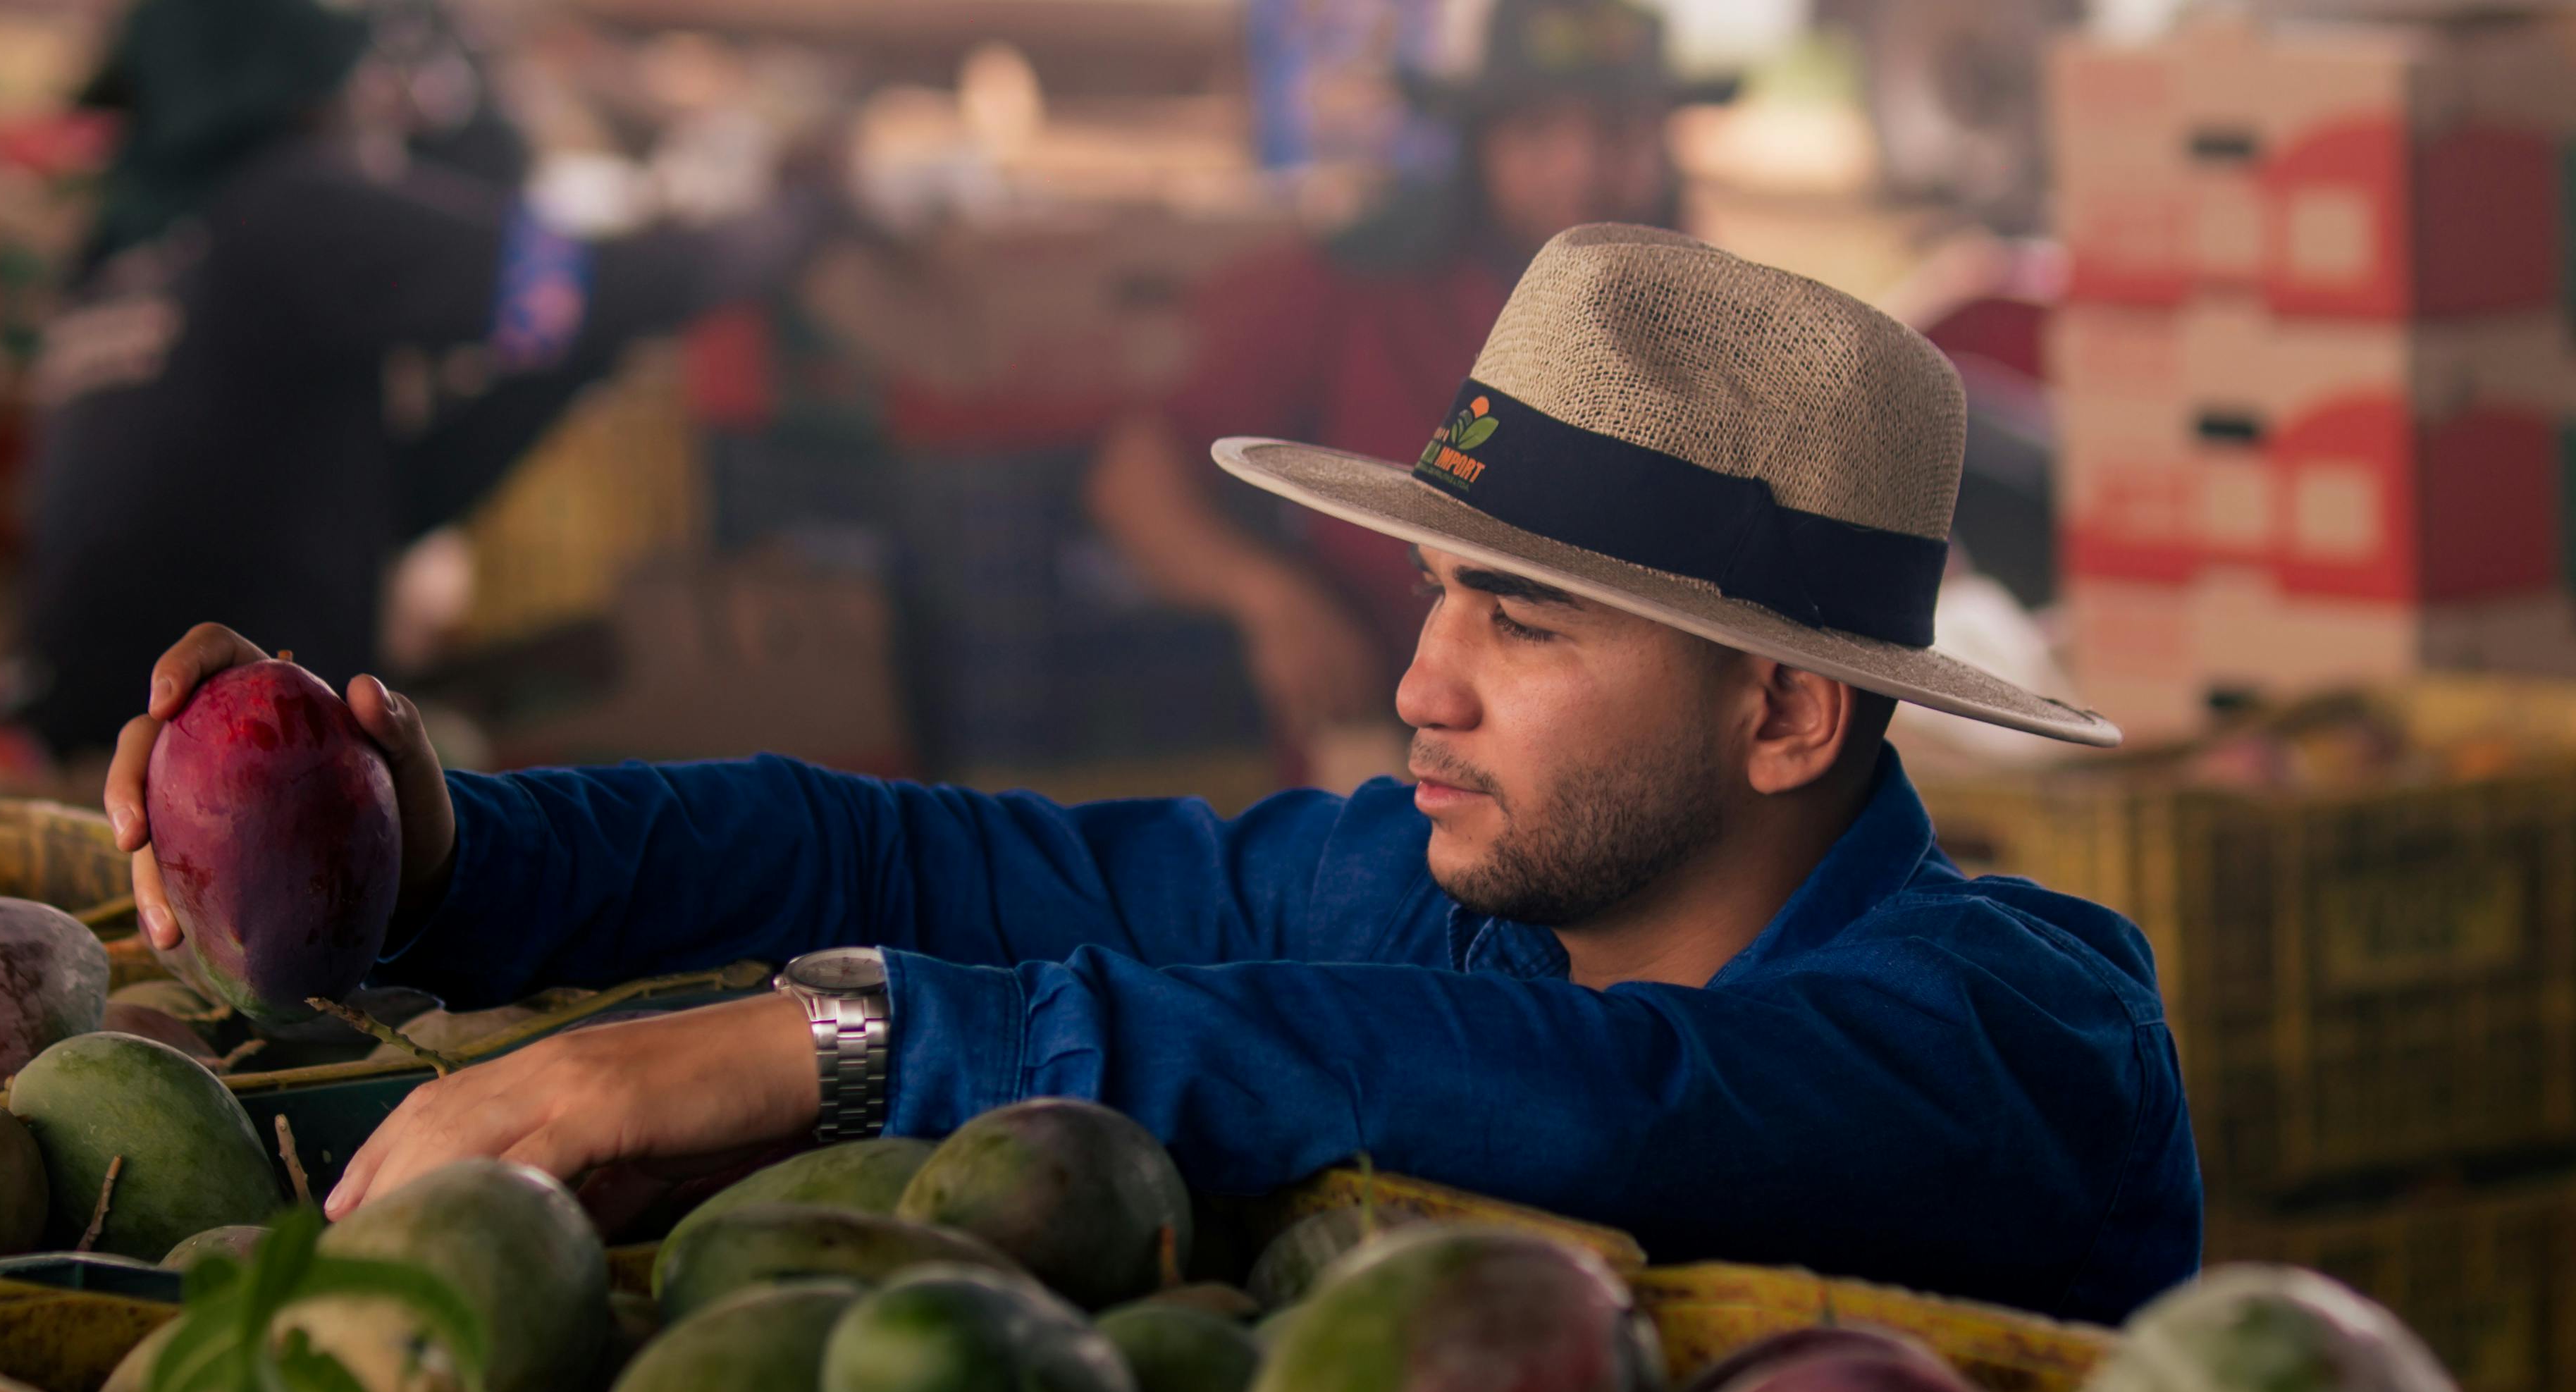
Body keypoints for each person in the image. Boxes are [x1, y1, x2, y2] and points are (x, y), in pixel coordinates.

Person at [108, 227, 2202, 1324]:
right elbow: (922, 853)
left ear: (1786, 714)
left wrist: (825, 1050)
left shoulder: (2022, 1039)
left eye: (1525, 620)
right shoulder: (1443, 901)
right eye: (1438, 594)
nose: (1418, 685)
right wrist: (442, 844)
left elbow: (1618, 1105)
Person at [13, 0, 824, 760]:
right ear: (296, 82)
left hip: (91, 737)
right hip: (227, 764)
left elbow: (388, 500)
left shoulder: (115, 256)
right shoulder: (299, 207)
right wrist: (793, 219)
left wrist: (574, 350)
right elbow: (582, 281)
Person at [1086, 0, 1680, 789]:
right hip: (1386, 760)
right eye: (1536, 133)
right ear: (1478, 147)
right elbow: (1133, 479)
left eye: (1619, 132)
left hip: (1619, 776)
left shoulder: (1704, 323)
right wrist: (1270, 598)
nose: (1582, 169)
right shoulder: (1353, 283)